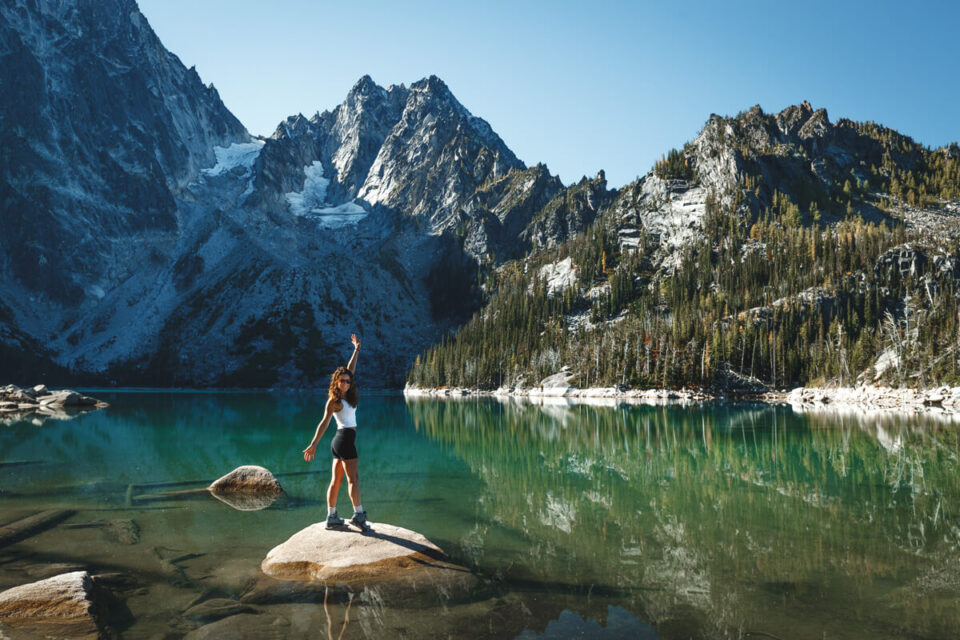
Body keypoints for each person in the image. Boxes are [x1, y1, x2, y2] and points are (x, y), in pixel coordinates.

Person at [303, 334, 370, 531]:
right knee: (353, 480)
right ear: (336, 381)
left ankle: (331, 516)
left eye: (348, 381)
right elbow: (324, 423)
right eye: (342, 380)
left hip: (340, 441)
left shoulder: (348, 395)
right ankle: (358, 515)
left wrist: (356, 349)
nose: (346, 383)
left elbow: (351, 369)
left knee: (337, 480)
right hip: (344, 440)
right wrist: (314, 444)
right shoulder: (334, 401)